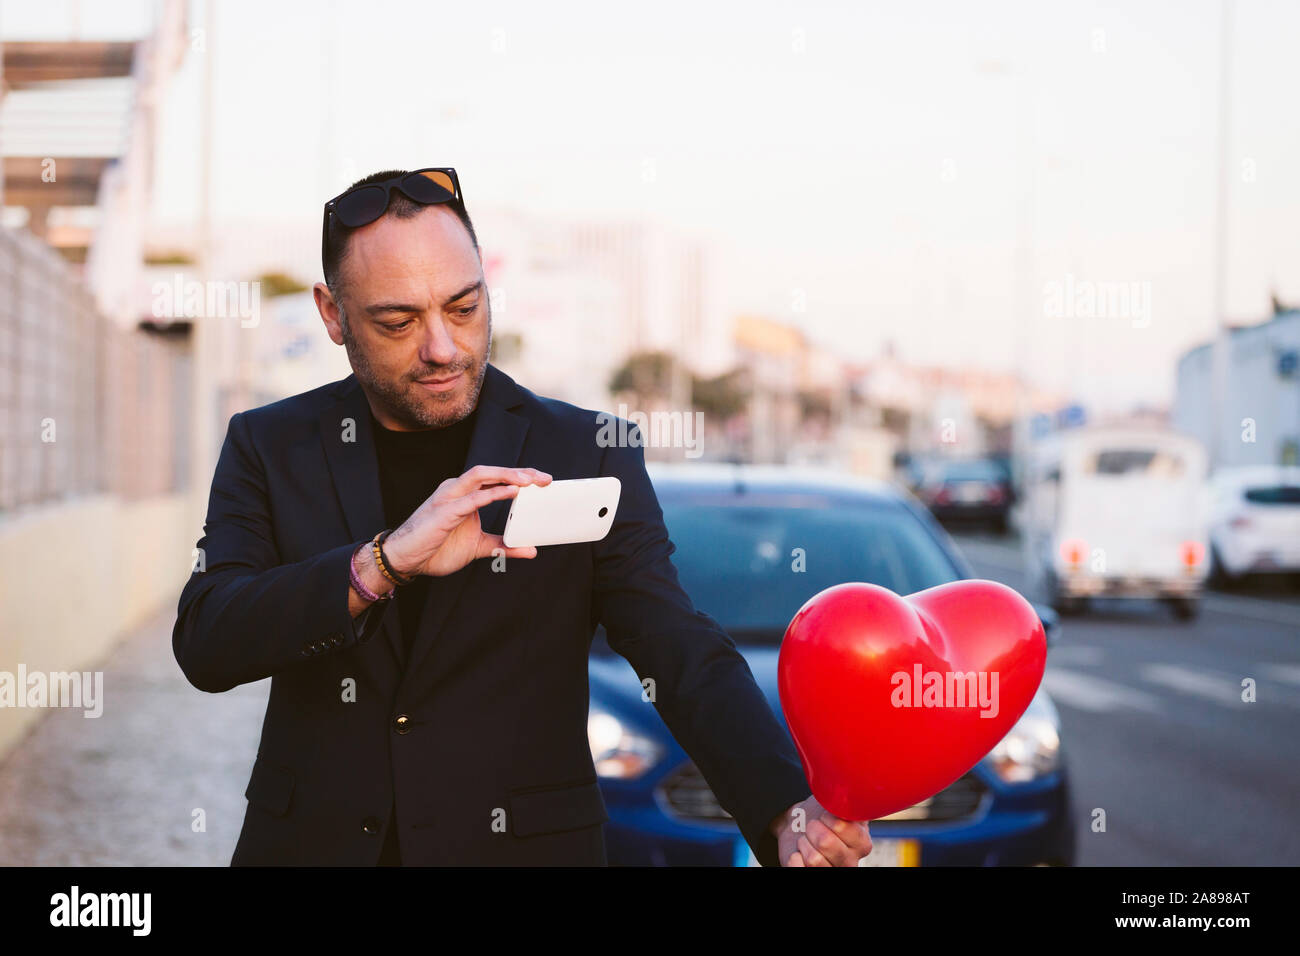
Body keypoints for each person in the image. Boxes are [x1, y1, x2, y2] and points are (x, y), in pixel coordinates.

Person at [173, 167, 872, 866]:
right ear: (332, 314)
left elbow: (676, 646)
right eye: (398, 321)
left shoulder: (588, 451)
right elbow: (208, 639)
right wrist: (380, 565)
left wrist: (782, 806)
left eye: (464, 307)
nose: (443, 347)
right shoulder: (269, 444)